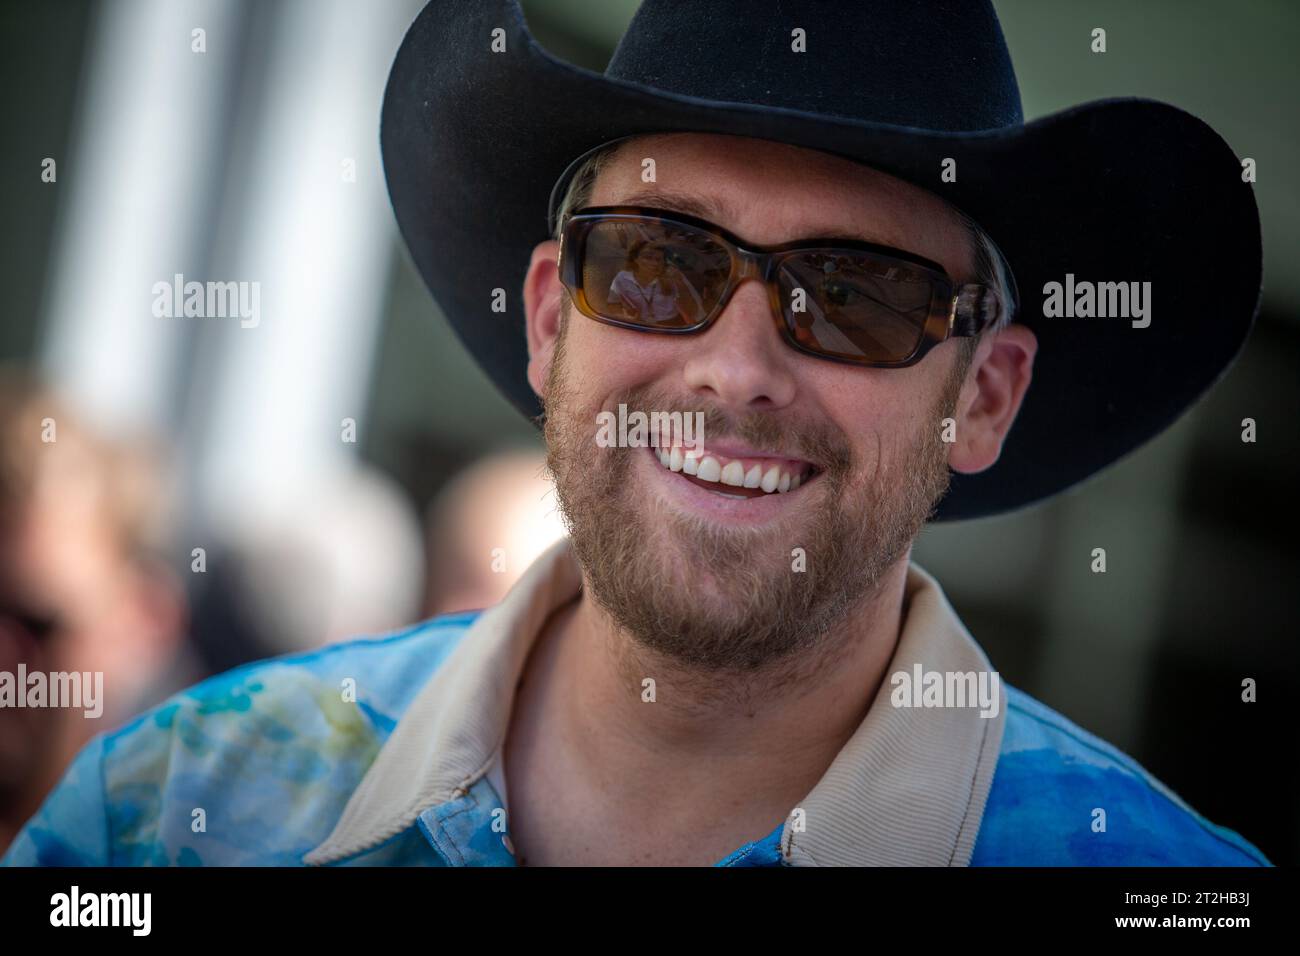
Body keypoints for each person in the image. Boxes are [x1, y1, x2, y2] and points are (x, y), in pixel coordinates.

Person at [3, 0, 1268, 866]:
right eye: (659, 264)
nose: (737, 366)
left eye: (859, 295)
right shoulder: (170, 808)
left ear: (982, 396)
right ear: (551, 319)